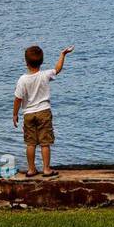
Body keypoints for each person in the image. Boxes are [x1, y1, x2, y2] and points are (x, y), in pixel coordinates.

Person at [12, 44, 73, 178]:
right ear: (42, 62)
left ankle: (31, 169)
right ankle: (46, 169)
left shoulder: (22, 79)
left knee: (30, 143)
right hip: (44, 112)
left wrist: (15, 114)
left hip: (28, 114)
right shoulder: (45, 75)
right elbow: (57, 69)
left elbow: (17, 98)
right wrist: (63, 55)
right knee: (45, 143)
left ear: (26, 63)